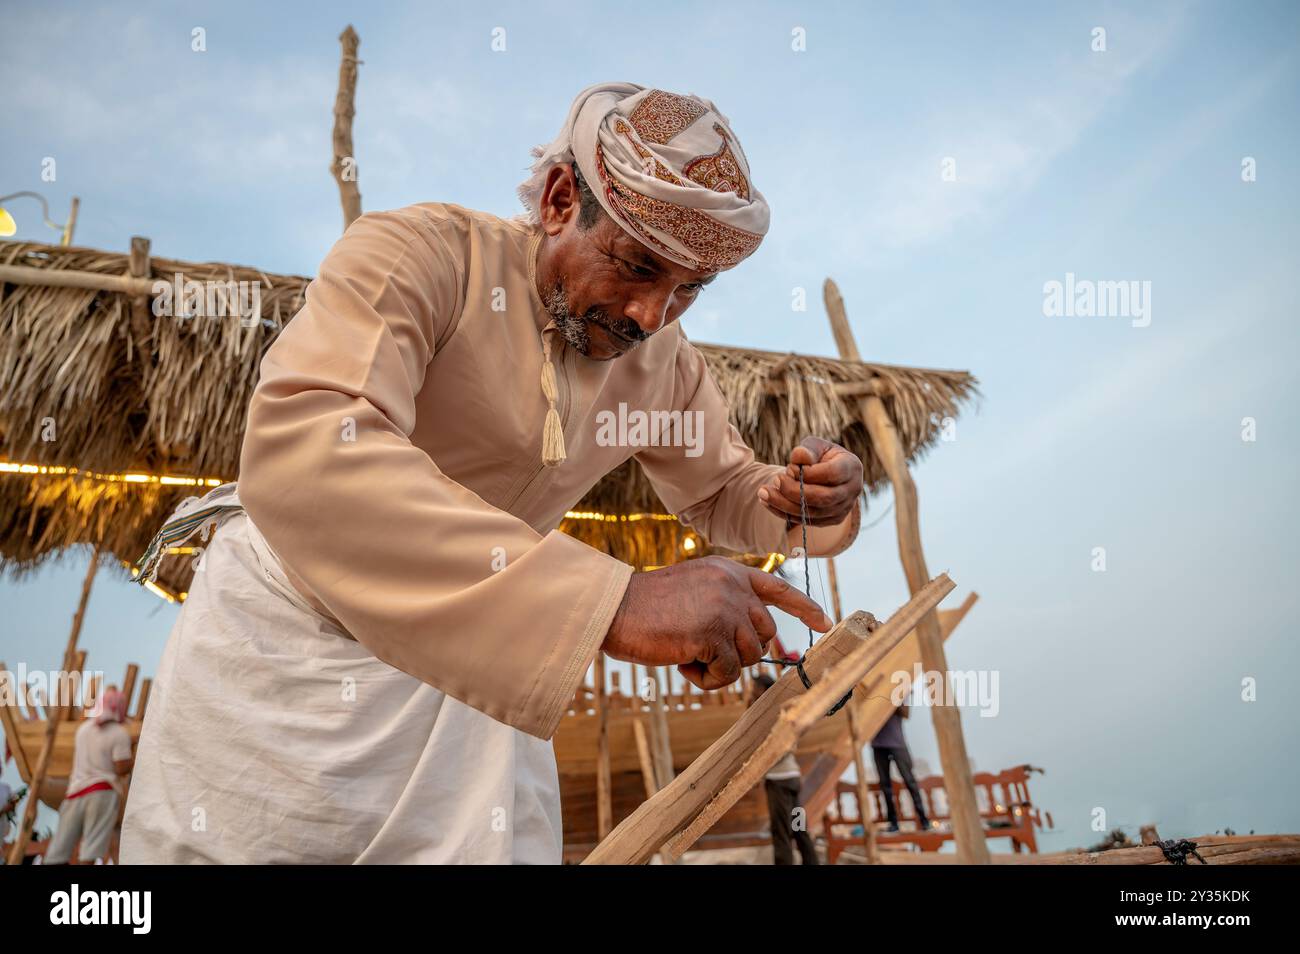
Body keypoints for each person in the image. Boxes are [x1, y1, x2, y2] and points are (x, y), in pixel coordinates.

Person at [123, 82, 865, 864]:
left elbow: (724, 492)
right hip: (282, 647)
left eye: (688, 290)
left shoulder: (662, 367)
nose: (652, 315)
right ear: (556, 198)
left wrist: (804, 500)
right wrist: (615, 603)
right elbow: (313, 454)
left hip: (472, 667)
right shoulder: (421, 255)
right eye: (639, 265)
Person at [44, 687, 132, 865]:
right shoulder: (119, 733)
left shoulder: (83, 730)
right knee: (90, 849)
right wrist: (134, 758)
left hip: (74, 793)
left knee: (58, 850)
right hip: (102, 793)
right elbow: (121, 768)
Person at [751, 673, 819, 864]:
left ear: (763, 690)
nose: (752, 691)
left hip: (779, 780)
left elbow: (778, 748)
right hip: (792, 778)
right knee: (798, 828)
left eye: (755, 688)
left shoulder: (769, 715)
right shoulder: (780, 711)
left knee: (780, 830)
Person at [871, 703, 932, 832]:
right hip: (877, 744)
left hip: (897, 743)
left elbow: (906, 713)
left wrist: (890, 698)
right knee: (885, 785)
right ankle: (893, 823)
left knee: (910, 781)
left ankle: (924, 820)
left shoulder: (900, 689)